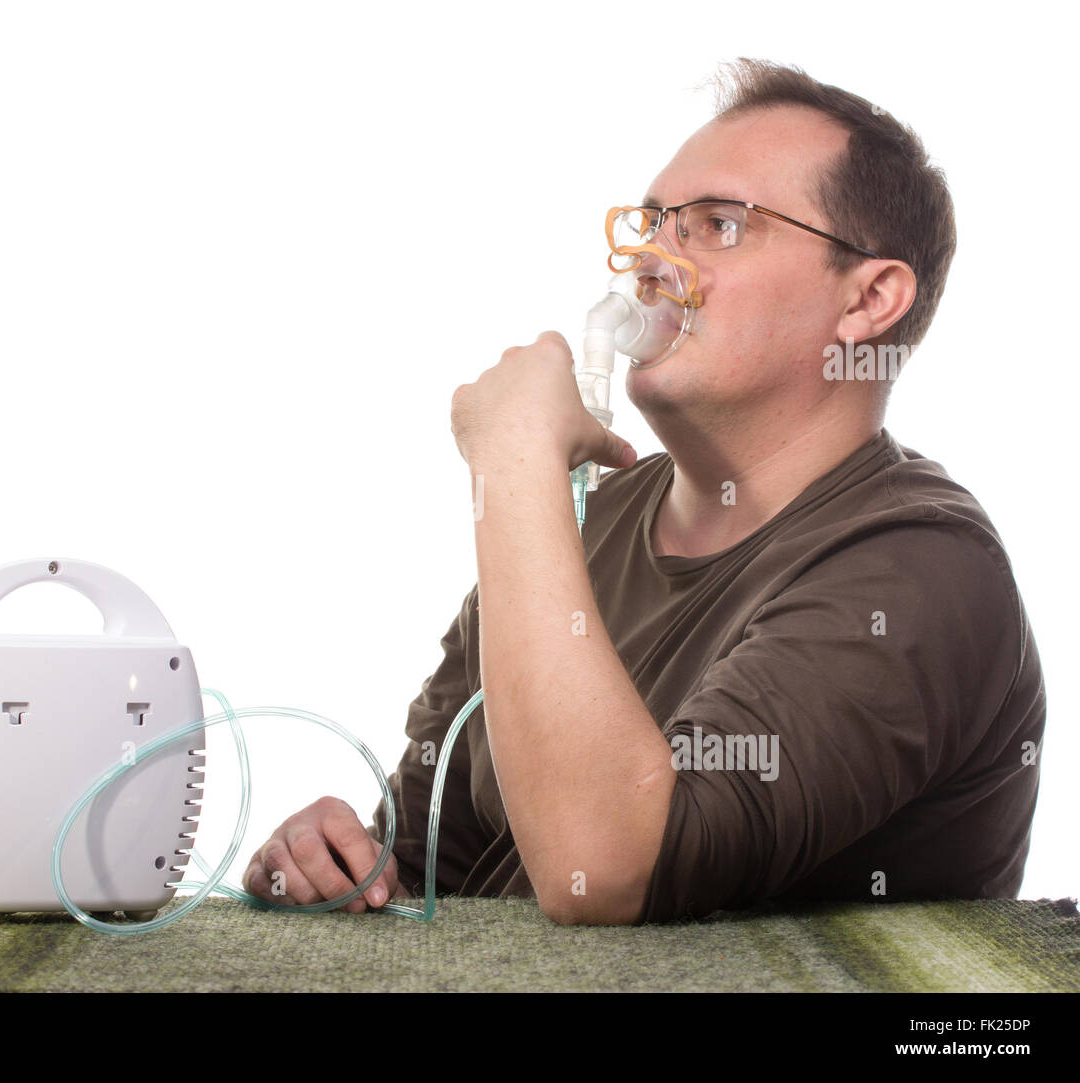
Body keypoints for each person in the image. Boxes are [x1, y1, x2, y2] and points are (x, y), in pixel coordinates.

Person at [239, 58, 1046, 924]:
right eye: (656, 224)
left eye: (720, 225)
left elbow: (611, 866)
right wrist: (329, 856)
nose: (655, 262)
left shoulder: (923, 571)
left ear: (870, 300)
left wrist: (514, 466)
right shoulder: (586, 519)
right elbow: (432, 863)